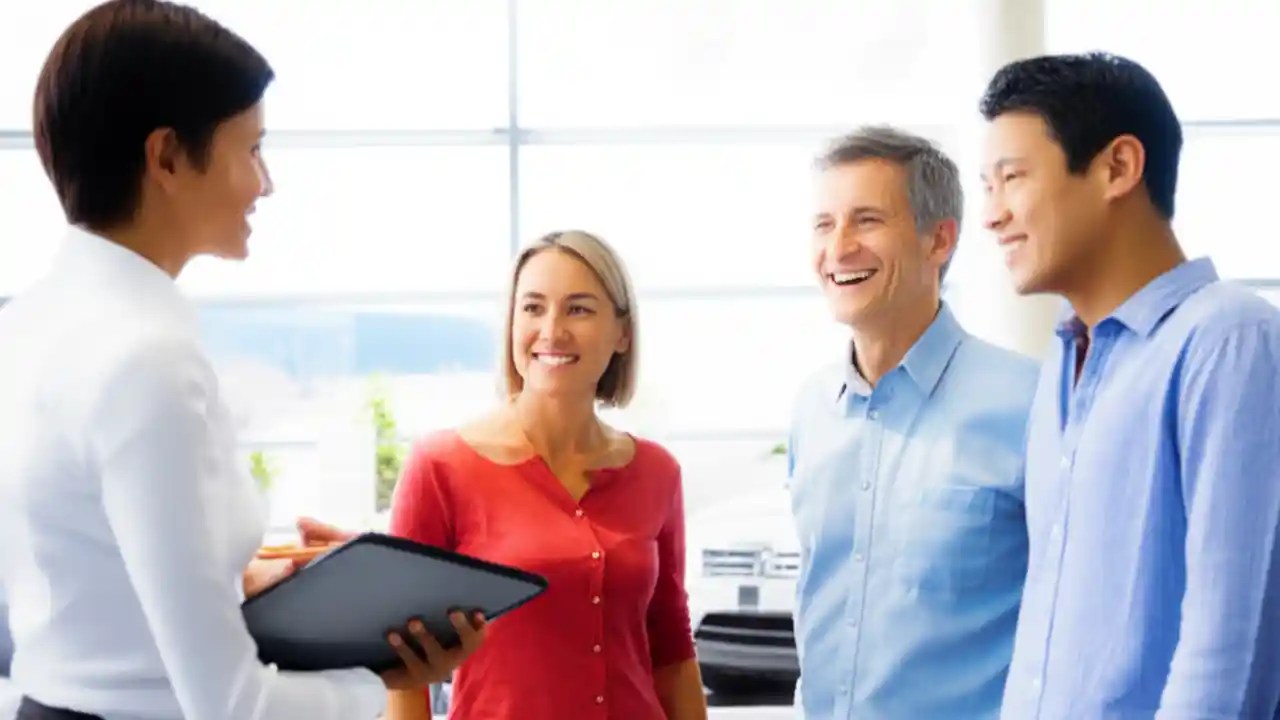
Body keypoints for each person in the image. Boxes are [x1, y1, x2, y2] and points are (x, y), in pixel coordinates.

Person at [0, 2, 481, 719]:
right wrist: (376, 677)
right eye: (251, 148)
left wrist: (244, 583)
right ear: (166, 157)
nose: (266, 182)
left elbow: (90, 575)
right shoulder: (146, 360)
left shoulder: (28, 325)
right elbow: (231, 705)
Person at [980, 52, 1280, 718]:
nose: (992, 215)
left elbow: (1221, 648)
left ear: (1118, 167)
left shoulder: (1229, 340)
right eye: (987, 187)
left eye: (1013, 179)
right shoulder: (1063, 358)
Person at [383, 230, 708, 719]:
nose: (551, 330)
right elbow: (403, 661)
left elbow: (672, 646)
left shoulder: (656, 471)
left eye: (579, 309)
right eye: (533, 308)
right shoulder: (441, 466)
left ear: (622, 333)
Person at [788, 126, 1039, 718]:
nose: (839, 247)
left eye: (867, 220)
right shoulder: (811, 410)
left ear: (940, 241)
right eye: (824, 224)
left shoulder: (1030, 403)